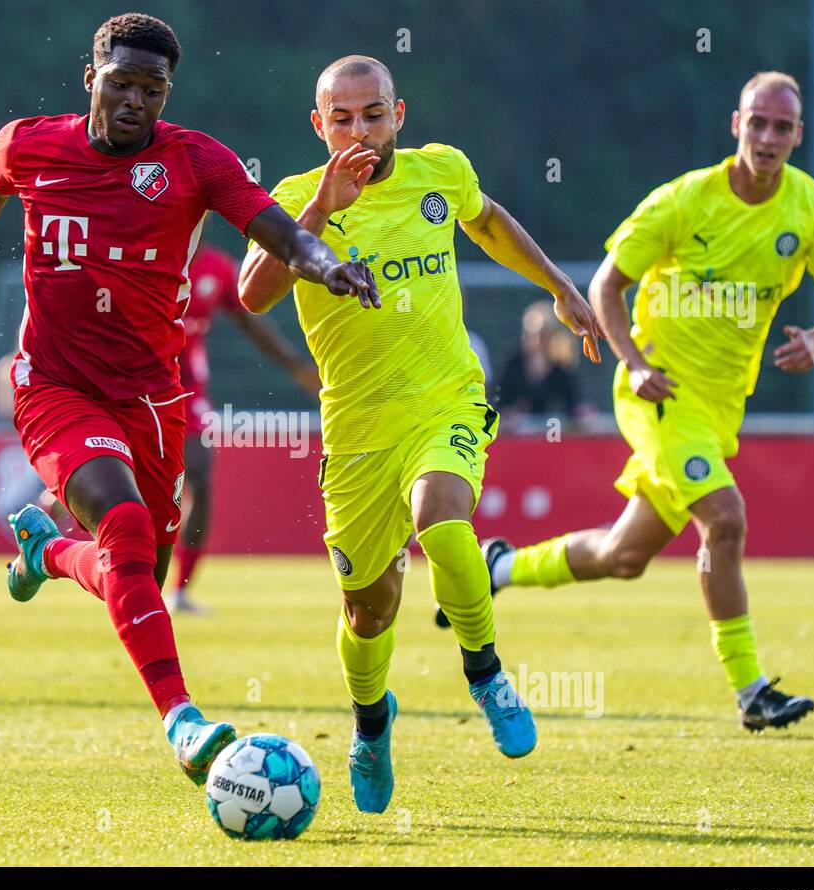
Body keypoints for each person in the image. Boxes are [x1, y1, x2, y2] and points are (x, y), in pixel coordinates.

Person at [0, 13, 378, 786]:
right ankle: (183, 721)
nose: (135, 102)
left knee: (140, 560)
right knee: (123, 524)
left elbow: (276, 230)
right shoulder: (32, 144)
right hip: (52, 385)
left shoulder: (195, 160)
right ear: (92, 79)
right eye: (122, 84)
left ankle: (47, 551)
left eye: (153, 90)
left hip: (154, 398)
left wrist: (324, 264)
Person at [239, 55, 603, 813]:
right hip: (356, 429)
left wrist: (562, 288)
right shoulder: (294, 198)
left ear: (398, 114)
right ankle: (372, 726)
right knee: (368, 610)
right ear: (320, 125)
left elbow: (489, 221)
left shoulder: (442, 171)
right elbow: (253, 291)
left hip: (446, 401)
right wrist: (320, 211)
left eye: (374, 114)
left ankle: (485, 672)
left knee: (443, 521)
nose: (360, 130)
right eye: (342, 118)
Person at [482, 73, 814, 733]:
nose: (768, 137)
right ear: (735, 125)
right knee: (726, 517)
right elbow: (606, 286)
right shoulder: (683, 202)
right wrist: (633, 362)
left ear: (799, 135)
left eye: (782, 127)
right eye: (758, 123)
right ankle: (751, 691)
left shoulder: (809, 209)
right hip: (656, 394)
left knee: (623, 557)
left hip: (719, 410)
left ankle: (503, 566)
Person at [168, 237, 320, 615]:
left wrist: (296, 366)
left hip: (185, 390)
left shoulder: (218, 268)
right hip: (130, 381)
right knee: (125, 480)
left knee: (199, 476)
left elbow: (251, 321)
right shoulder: (143, 253)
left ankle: (179, 591)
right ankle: (52, 520)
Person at [496, 299, 581, 428]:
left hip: (553, 436)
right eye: (527, 332)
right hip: (516, 437)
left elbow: (572, 407)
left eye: (537, 333)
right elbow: (500, 402)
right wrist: (508, 413)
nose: (529, 338)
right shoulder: (514, 364)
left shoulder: (560, 370)